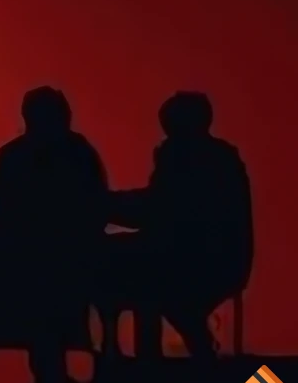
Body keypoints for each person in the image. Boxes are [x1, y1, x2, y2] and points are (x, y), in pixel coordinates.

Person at [0, 87, 109, 383]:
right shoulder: (81, 154)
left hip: (23, 267)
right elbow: (97, 206)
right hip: (73, 265)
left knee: (39, 325)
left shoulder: (11, 157)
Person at [103, 92, 253, 358]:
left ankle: (145, 363)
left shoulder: (187, 158)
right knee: (152, 279)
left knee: (142, 279)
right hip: (218, 258)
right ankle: (190, 353)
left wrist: (105, 206)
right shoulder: (219, 158)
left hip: (201, 260)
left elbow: (160, 210)